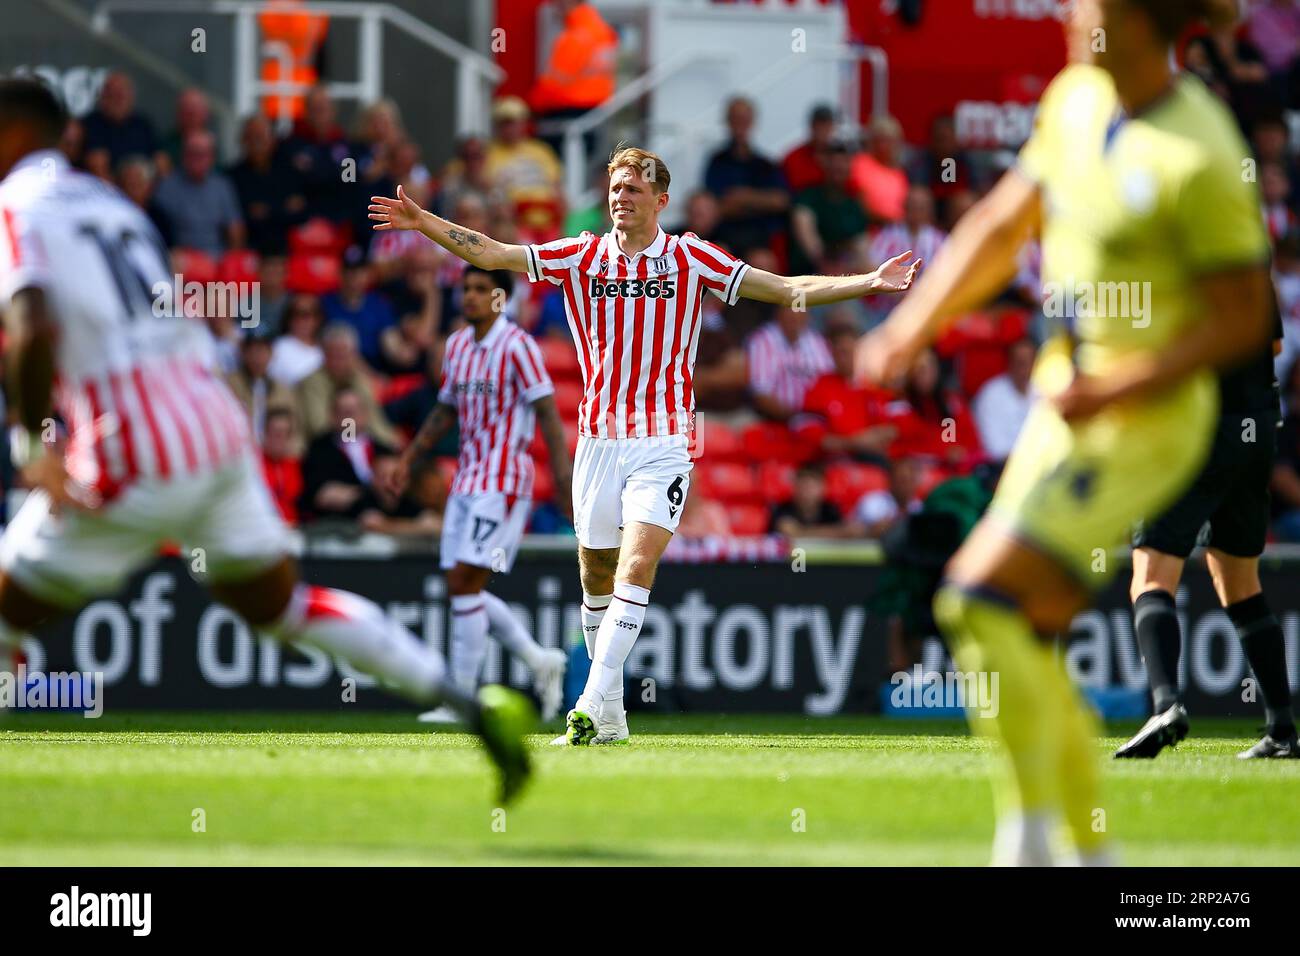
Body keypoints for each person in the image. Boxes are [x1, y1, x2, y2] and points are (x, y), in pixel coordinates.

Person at [0, 78, 532, 801]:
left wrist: (34, 450)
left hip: (132, 442)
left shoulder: (19, 204)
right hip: (215, 427)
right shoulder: (110, 203)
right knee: (282, 607)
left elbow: (32, 323)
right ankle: (472, 706)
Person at [855, 0, 1267, 865]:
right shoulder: (1074, 101)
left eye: (1090, 4)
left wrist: (1118, 382)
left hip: (1147, 422)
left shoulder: (1200, 149)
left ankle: (1036, 839)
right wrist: (911, 326)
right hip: (1064, 404)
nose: (1072, 17)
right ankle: (1083, 849)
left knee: (979, 598)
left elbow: (1242, 318)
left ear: (1143, 18)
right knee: (1014, 625)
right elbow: (1003, 226)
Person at [369, 144, 918, 745]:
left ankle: (585, 703)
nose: (620, 197)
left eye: (633, 189)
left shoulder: (689, 257)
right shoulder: (580, 255)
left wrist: (868, 280)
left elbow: (785, 289)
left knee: (637, 564)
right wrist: (426, 224)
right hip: (597, 443)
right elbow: (496, 253)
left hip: (661, 440)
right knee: (595, 580)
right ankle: (613, 716)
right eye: (615, 188)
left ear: (660, 200)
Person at [388, 267, 571, 724]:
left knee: (467, 582)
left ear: (500, 299)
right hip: (467, 481)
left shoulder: (518, 346)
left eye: (478, 290)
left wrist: (564, 476)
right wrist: (409, 459)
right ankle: (539, 661)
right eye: (464, 289)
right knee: (460, 587)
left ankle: (462, 701)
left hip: (506, 481)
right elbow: (445, 409)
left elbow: (547, 411)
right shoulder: (456, 346)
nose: (468, 296)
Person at [1118, 289, 1295, 759]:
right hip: (1255, 429)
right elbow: (1275, 347)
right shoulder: (1245, 257)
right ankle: (1282, 729)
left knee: (1150, 573)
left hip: (1193, 429)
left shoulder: (1169, 260)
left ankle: (1164, 705)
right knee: (1239, 581)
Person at [703, 96, 791, 254]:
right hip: (724, 235)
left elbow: (781, 200)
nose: (739, 124)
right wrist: (759, 203)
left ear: (752, 122)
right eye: (735, 119)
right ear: (728, 122)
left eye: (743, 119)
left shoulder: (765, 164)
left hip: (758, 237)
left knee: (762, 262)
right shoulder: (717, 162)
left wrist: (744, 197)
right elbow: (715, 205)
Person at [152, 130, 246, 255]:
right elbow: (157, 232)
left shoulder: (222, 186)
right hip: (180, 260)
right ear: (184, 156)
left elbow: (235, 228)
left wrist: (233, 258)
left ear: (212, 157)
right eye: (192, 153)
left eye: (202, 154)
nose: (197, 159)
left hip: (217, 259)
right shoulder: (167, 187)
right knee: (176, 272)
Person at [746, 306, 834, 422]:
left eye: (800, 309)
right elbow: (760, 395)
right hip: (776, 421)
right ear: (778, 313)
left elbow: (831, 383)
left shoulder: (817, 341)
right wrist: (797, 418)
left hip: (818, 419)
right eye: (789, 309)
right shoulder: (761, 341)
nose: (795, 315)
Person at [971, 337, 1037, 463]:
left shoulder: (1044, 390)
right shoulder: (990, 395)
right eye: (1021, 363)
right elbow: (995, 449)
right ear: (1009, 363)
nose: (1027, 369)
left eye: (1030, 362)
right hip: (1002, 469)